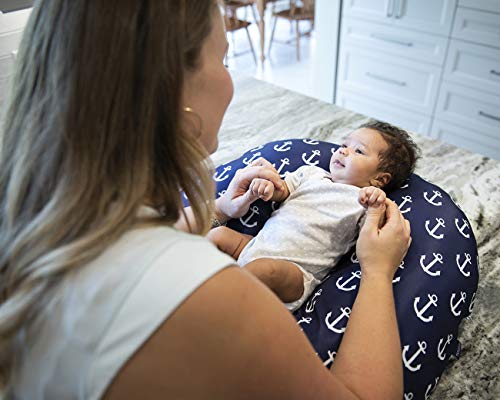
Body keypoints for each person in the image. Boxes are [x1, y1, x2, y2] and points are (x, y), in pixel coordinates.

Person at [0, 1, 411, 399]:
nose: (231, 79)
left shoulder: (35, 221)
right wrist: (377, 270)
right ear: (176, 95)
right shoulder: (206, 298)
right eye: (226, 59)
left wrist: (218, 210)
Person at [208, 122, 419, 309]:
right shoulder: (311, 174)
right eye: (344, 145)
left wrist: (376, 206)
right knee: (217, 235)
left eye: (358, 151)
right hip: (257, 245)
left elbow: (374, 237)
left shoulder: (365, 201)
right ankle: (196, 274)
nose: (344, 152)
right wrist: (266, 188)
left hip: (296, 271)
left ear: (379, 180)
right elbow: (282, 190)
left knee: (266, 270)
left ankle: (214, 301)